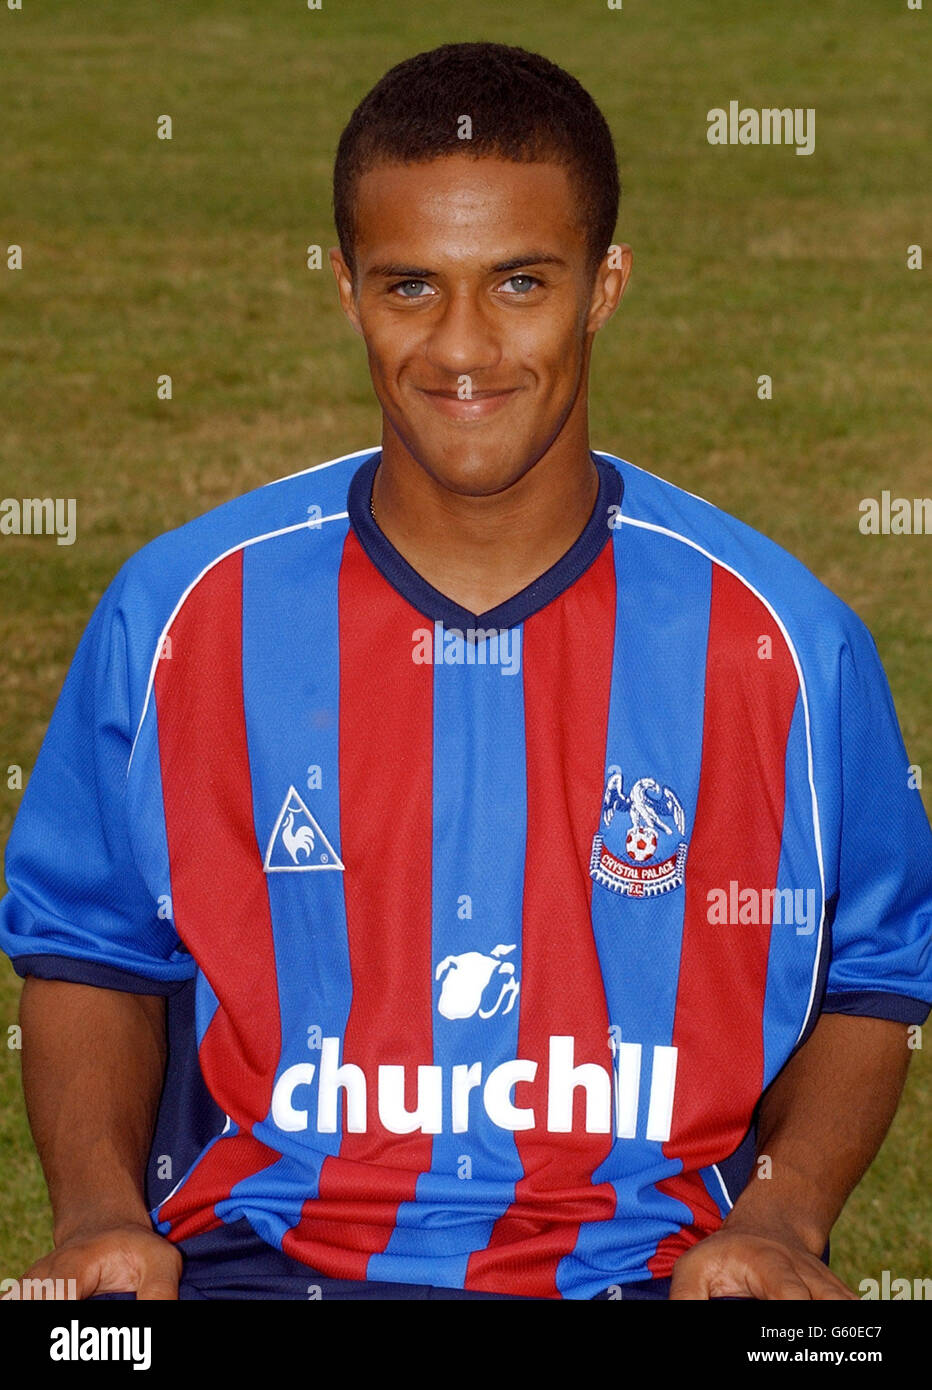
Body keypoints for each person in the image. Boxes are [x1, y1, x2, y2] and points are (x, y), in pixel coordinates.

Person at [1, 42, 930, 1303]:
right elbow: (90, 947)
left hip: (649, 1275)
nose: (461, 349)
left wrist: (782, 1217)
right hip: (254, 1267)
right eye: (408, 287)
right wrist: (101, 1218)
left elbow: (864, 972)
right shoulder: (184, 614)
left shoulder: (773, 636)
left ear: (603, 286)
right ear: (343, 287)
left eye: (518, 284)